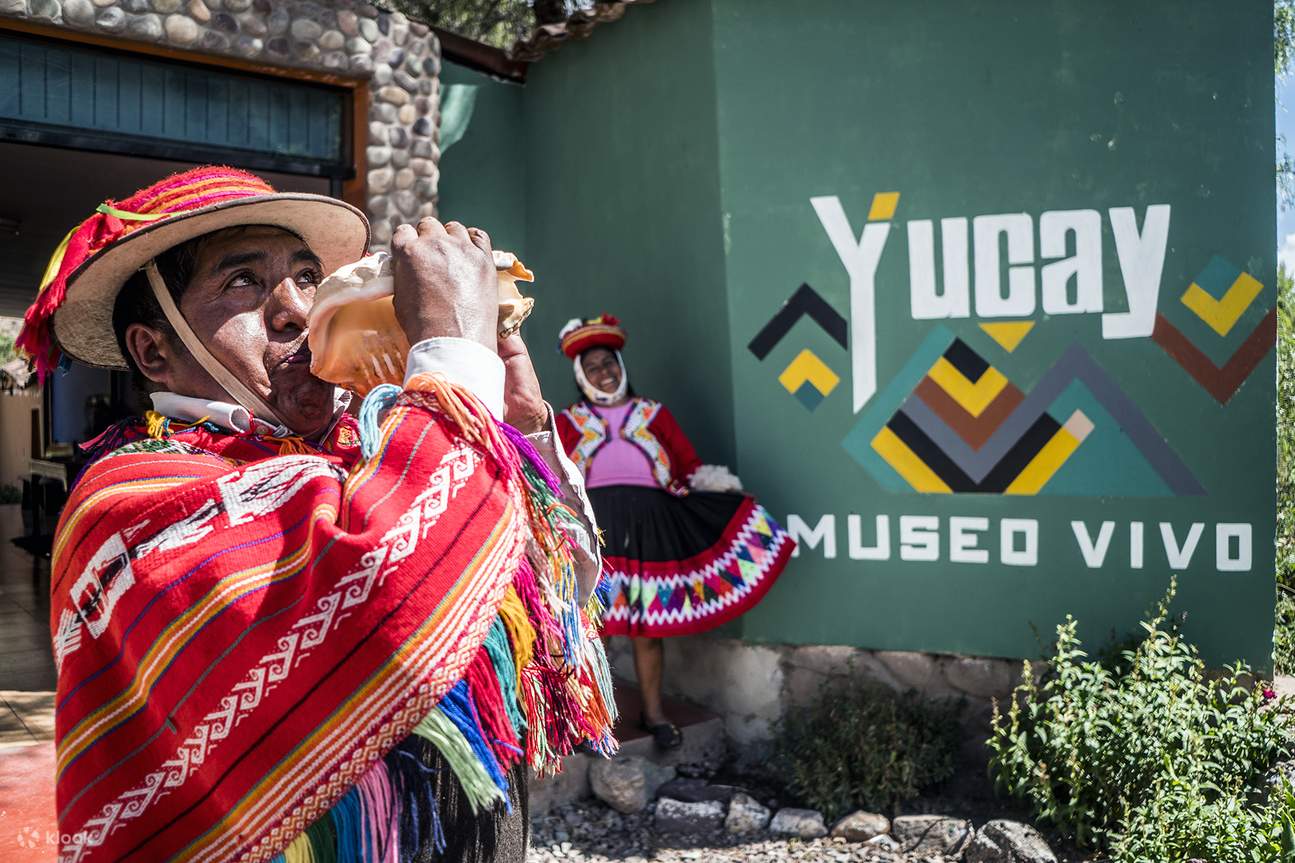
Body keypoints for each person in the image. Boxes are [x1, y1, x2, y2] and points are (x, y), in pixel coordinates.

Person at [18, 166, 616, 862]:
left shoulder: (387, 445)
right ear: (154, 350)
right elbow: (382, 595)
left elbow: (555, 604)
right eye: (241, 281)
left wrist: (514, 430)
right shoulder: (127, 502)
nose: (297, 310)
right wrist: (454, 358)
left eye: (307, 276)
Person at [555, 315, 795, 748]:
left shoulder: (653, 414)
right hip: (596, 533)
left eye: (609, 363)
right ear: (580, 376)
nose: (604, 372)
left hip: (651, 528)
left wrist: (722, 497)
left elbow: (687, 466)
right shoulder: (569, 421)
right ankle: (589, 723)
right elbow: (555, 475)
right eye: (593, 367)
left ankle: (655, 715)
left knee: (648, 630)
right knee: (595, 630)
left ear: (621, 366)